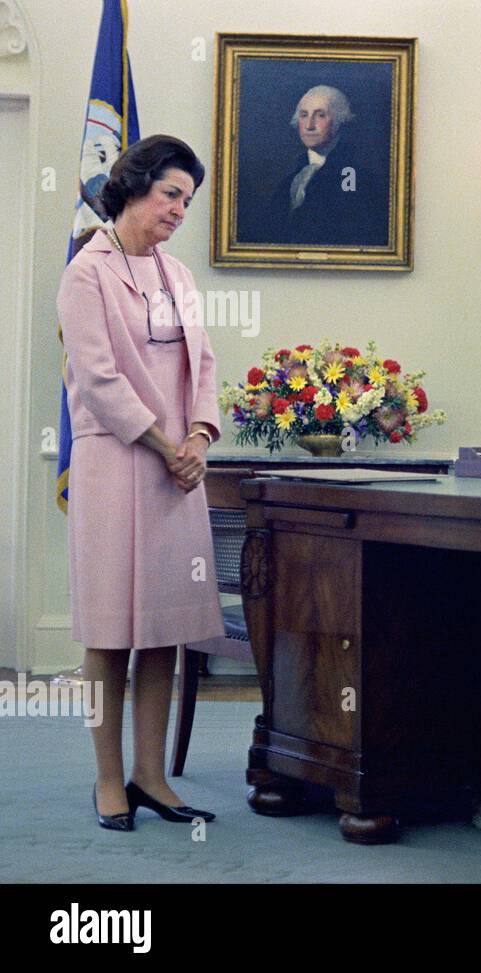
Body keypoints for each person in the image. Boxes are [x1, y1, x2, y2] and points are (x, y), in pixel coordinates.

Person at [58, 134, 223, 831]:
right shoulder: (85, 273)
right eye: (171, 194)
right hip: (116, 464)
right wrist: (162, 443)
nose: (180, 209)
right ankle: (107, 779)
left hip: (176, 475)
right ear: (134, 187)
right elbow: (98, 378)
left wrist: (198, 439)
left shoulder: (179, 276)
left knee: (164, 629)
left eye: (188, 199)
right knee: (109, 632)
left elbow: (205, 366)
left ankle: (152, 776)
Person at [245, 84, 387, 247]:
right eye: (304, 115)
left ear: (339, 120)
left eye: (320, 115)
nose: (309, 125)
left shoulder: (351, 174)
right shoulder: (290, 181)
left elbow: (352, 228)